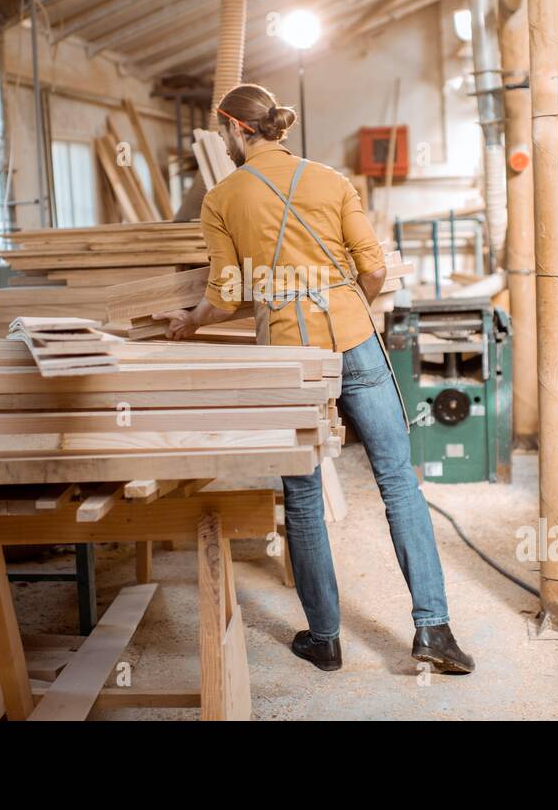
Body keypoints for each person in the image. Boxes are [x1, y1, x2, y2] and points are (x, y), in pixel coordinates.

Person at [154, 83, 474, 675]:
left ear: (234, 130)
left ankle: (324, 639)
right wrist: (345, 303)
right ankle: (434, 630)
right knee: (399, 482)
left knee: (302, 498)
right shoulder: (331, 180)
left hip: (288, 355)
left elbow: (224, 299)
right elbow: (373, 269)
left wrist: (187, 323)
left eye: (222, 131)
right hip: (353, 337)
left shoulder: (223, 199)